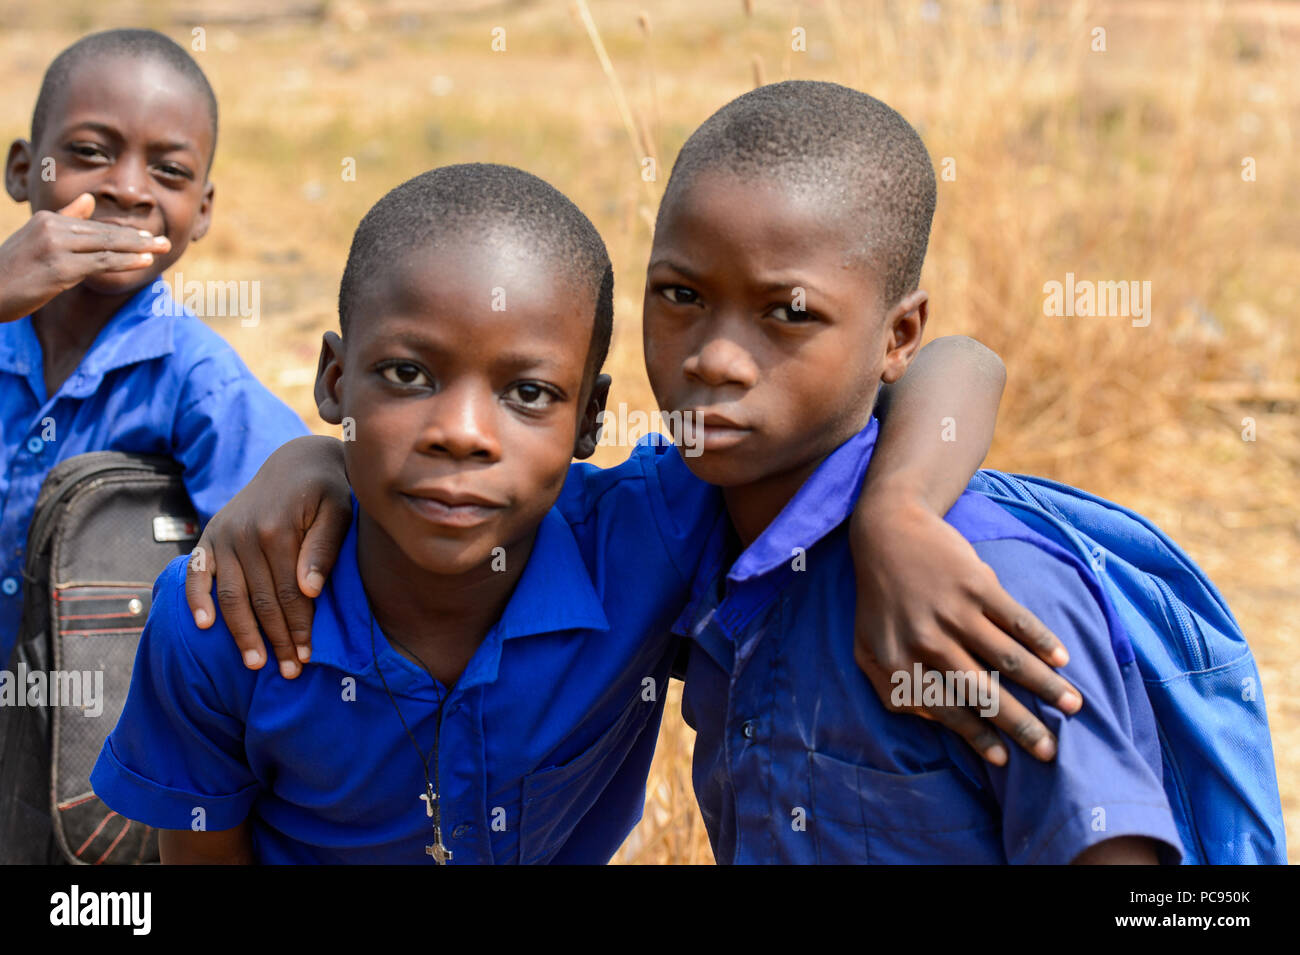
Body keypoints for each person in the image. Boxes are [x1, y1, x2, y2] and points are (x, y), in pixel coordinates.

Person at [91, 161, 1066, 864]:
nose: (462, 432)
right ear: (335, 379)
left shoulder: (644, 536)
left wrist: (897, 513)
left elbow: (956, 363)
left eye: (526, 394)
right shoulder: (231, 615)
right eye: (407, 374)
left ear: (589, 417)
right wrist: (308, 459)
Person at [0, 29, 307, 661]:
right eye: (90, 152)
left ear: (202, 211)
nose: (131, 190)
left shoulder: (196, 379)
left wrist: (318, 466)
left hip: (86, 745)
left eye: (169, 171)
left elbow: (297, 515)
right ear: (24, 169)